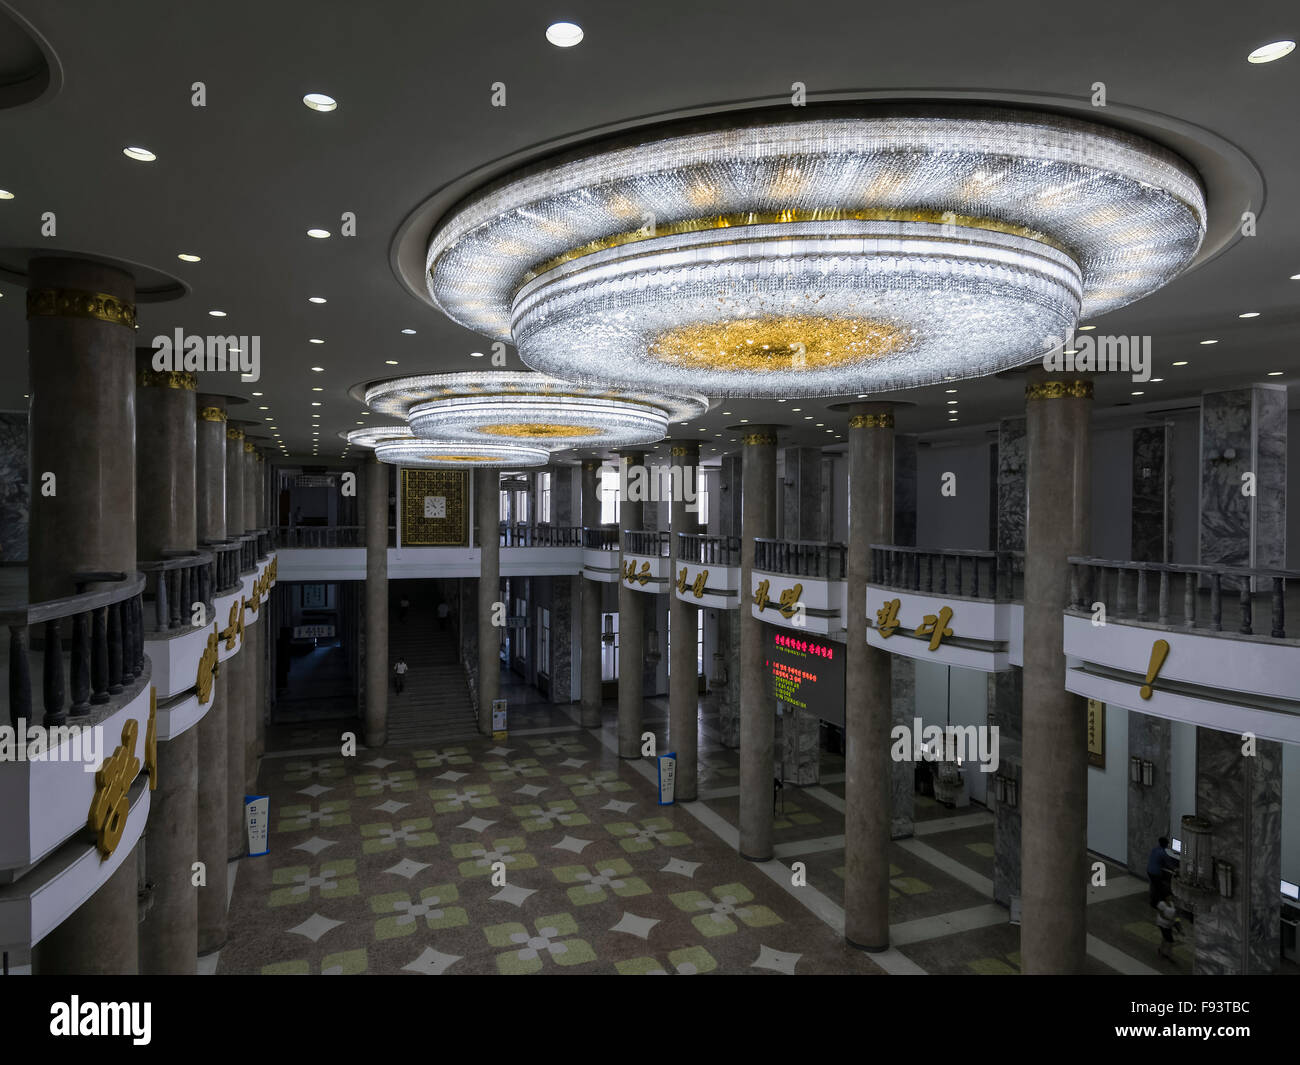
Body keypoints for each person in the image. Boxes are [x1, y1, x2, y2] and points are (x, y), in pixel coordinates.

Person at [1147, 836, 1175, 907]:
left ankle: (1153, 901)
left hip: (1149, 871)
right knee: (1160, 888)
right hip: (1156, 873)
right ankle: (1157, 903)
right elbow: (1170, 865)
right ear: (1165, 844)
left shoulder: (1154, 849)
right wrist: (1176, 870)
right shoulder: (1163, 853)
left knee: (1154, 886)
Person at [1155, 894, 1180, 960]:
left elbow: (1175, 914)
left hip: (1169, 925)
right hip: (1162, 924)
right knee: (1170, 940)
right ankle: (1168, 954)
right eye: (1169, 896)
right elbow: (1161, 915)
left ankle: (1161, 949)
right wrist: (1170, 919)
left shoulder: (1171, 903)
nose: (1171, 897)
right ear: (1165, 897)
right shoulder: (1161, 904)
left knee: (1165, 938)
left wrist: (1175, 921)